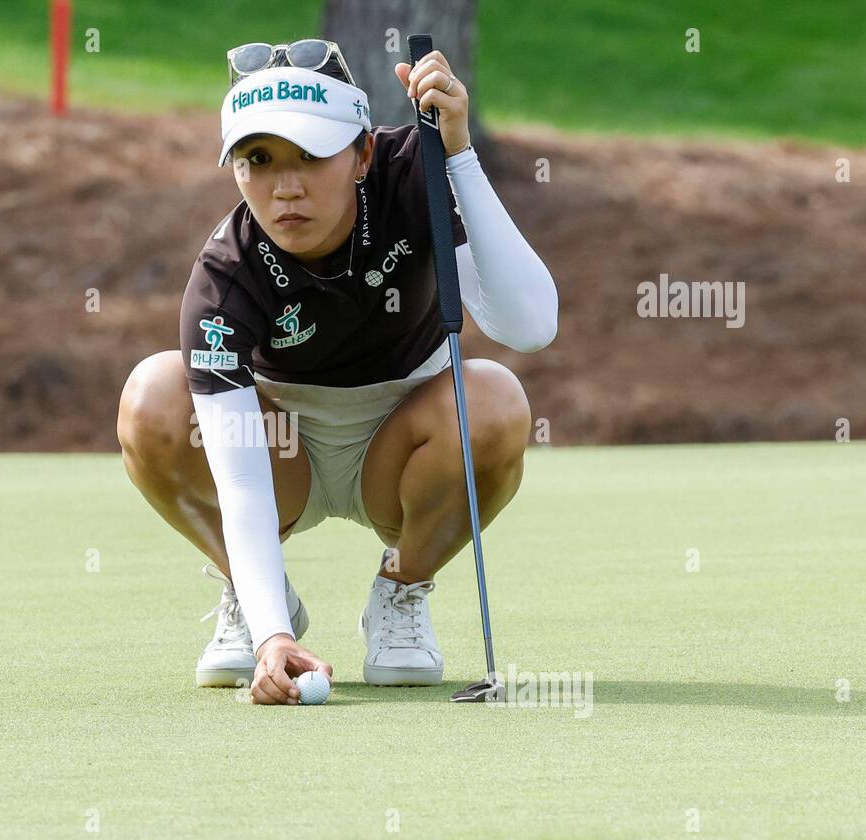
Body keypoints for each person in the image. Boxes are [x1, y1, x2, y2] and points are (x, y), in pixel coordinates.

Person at [117, 39, 557, 704]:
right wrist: (271, 637)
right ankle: (252, 596)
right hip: (279, 453)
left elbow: (528, 326)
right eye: (257, 160)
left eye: (312, 156)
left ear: (363, 153)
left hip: (405, 439)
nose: (285, 187)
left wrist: (458, 154)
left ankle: (402, 589)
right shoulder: (224, 280)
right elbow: (239, 481)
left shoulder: (417, 173)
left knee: (497, 400)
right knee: (152, 396)